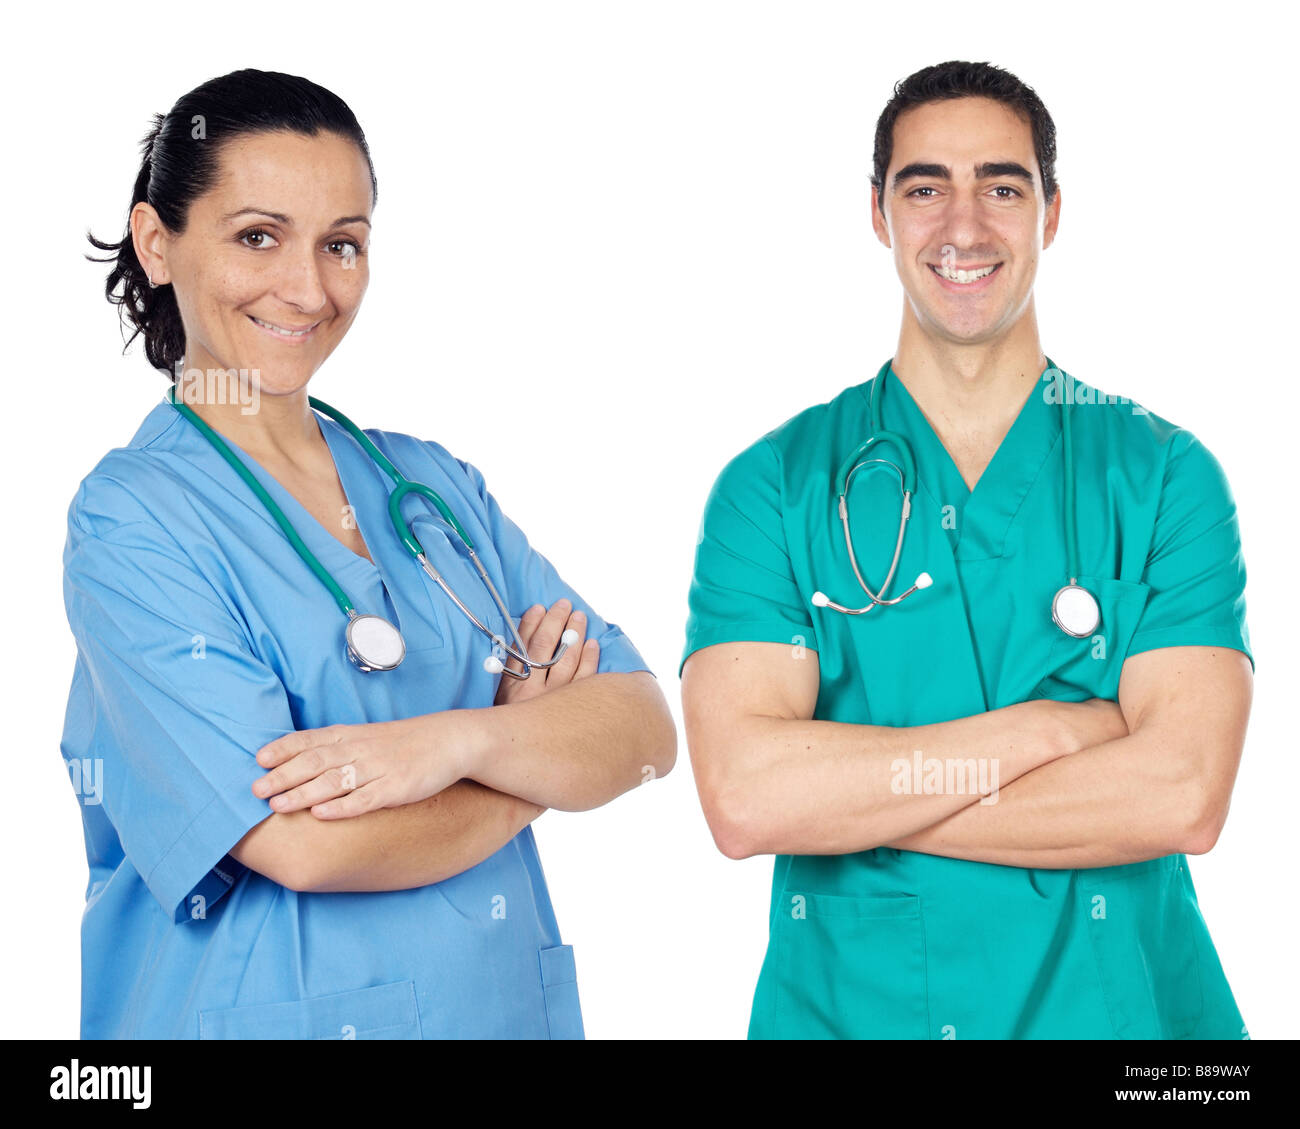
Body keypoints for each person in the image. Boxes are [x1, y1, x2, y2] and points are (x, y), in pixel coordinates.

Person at [64, 68, 675, 1040]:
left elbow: (643, 729)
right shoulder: (134, 520)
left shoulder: (431, 488)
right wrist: (538, 764)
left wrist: (452, 743)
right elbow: (294, 843)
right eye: (257, 236)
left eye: (341, 245)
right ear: (157, 242)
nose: (307, 288)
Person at [680, 60, 1253, 1040]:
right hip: (850, 1011)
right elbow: (743, 799)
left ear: (1051, 211)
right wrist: (1052, 731)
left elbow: (1183, 794)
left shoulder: (1161, 474)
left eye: (999, 185)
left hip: (1118, 1021)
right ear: (877, 213)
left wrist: (849, 799)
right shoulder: (773, 484)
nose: (962, 225)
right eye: (923, 187)